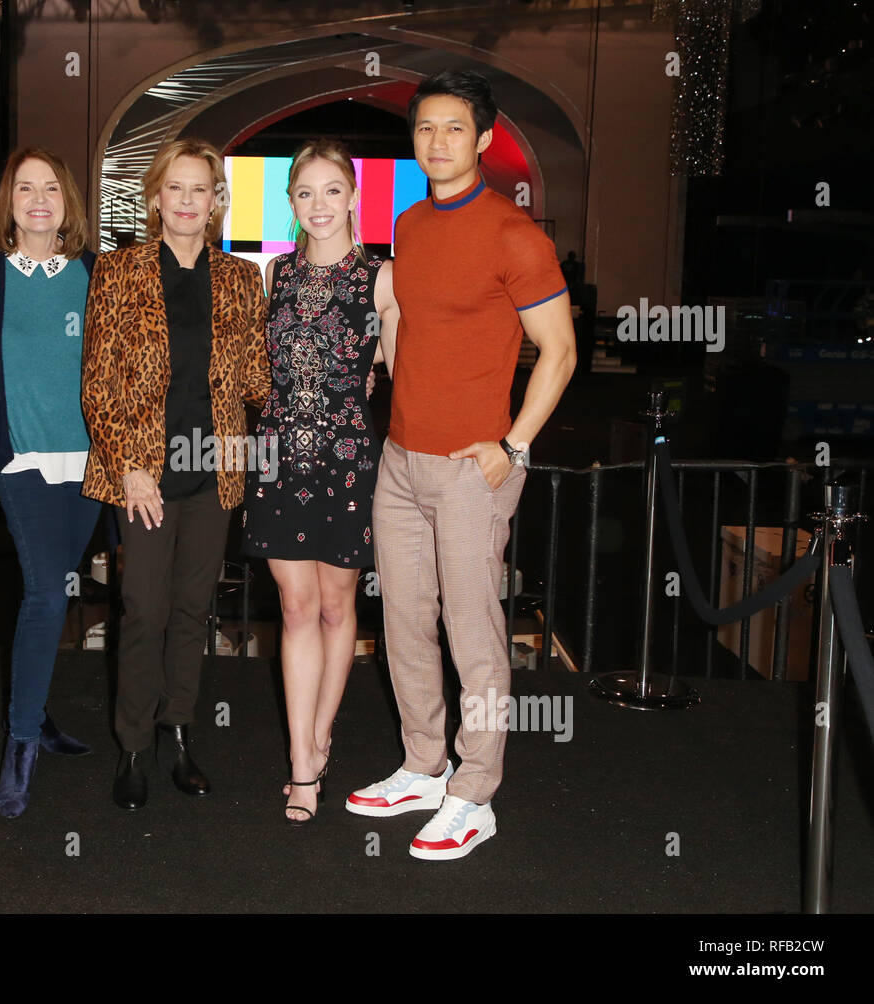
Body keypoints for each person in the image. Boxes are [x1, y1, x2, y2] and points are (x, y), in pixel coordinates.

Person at [346, 70, 575, 858]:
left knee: (472, 636)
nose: (437, 141)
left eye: (454, 128)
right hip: (401, 461)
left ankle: (475, 793)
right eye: (425, 127)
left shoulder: (515, 235)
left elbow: (560, 352)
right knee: (404, 624)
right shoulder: (409, 224)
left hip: (474, 467)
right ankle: (423, 766)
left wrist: (512, 447)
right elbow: (412, 325)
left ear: (482, 139)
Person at [81, 137, 270, 810]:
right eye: (176, 188)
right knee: (143, 610)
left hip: (214, 473)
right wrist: (130, 467)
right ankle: (134, 745)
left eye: (201, 189)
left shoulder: (242, 278)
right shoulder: (118, 270)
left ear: (216, 201)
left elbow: (257, 378)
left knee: (194, 611)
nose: (188, 201)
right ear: (156, 197)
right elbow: (97, 382)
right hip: (144, 476)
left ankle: (180, 732)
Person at [241, 139, 398, 824]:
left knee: (336, 607)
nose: (320, 204)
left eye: (333, 190)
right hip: (278, 457)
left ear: (354, 196)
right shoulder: (275, 274)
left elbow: (406, 374)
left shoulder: (383, 278)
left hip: (348, 460)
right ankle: (302, 761)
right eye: (306, 192)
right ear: (290, 202)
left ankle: (320, 736)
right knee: (296, 606)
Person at [0, 148, 102, 818]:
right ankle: (19, 746)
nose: (39, 199)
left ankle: (35, 714)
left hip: (90, 464)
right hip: (21, 461)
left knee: (53, 590)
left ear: (67, 200)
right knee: (46, 595)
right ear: (7, 202)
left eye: (51, 188)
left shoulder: (92, 271)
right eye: (25, 188)